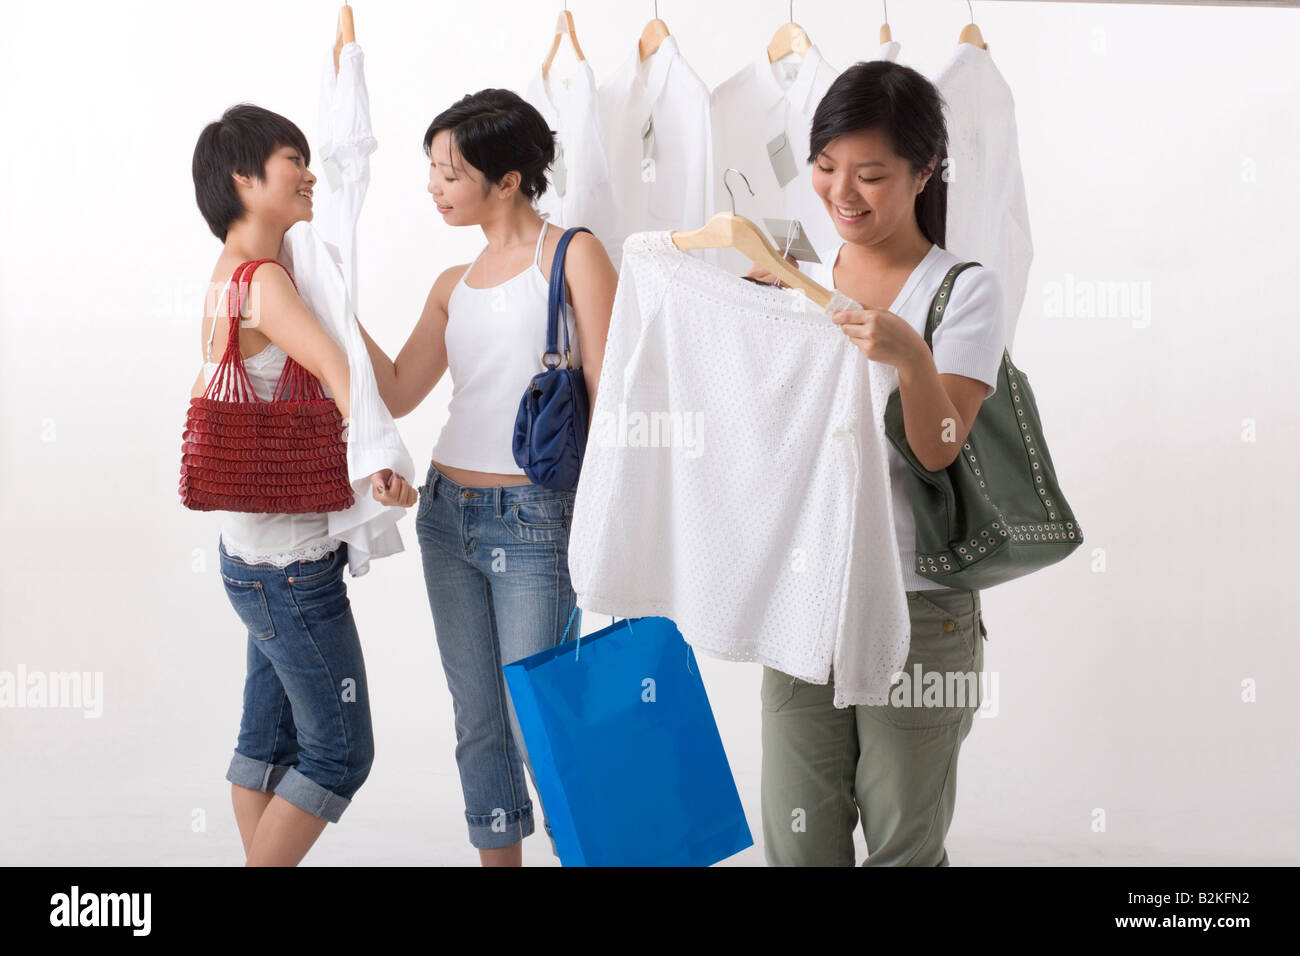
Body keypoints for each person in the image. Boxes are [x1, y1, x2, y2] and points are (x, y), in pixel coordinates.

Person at [749, 61, 1005, 866]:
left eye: (871, 175)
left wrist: (911, 358)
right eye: (826, 169)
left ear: (924, 172)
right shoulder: (794, 275)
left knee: (902, 842)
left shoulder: (960, 290)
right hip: (804, 598)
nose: (842, 194)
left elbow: (938, 446)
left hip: (919, 605)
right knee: (799, 841)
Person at [355, 89, 617, 866]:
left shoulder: (574, 255)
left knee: (542, 716)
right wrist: (338, 311)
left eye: (450, 172)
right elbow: (401, 390)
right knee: (478, 719)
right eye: (431, 170)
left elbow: (608, 404)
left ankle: (593, 852)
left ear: (507, 180)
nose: (434, 186)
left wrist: (601, 530)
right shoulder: (450, 282)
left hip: (536, 518)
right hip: (445, 514)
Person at [190, 103, 418, 866]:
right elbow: (340, 370)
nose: (310, 172)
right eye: (294, 158)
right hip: (291, 568)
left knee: (267, 744)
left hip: (245, 559)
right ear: (243, 178)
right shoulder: (267, 284)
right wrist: (379, 458)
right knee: (339, 754)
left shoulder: (227, 278)